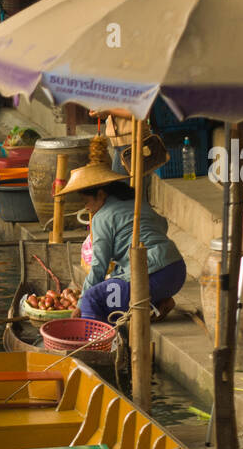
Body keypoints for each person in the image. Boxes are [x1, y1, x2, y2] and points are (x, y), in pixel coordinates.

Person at [60, 138, 185, 325]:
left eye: (87, 201)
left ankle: (94, 344)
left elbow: (99, 266)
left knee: (93, 298)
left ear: (101, 195)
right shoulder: (134, 201)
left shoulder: (102, 218)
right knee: (116, 282)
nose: (86, 207)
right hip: (176, 270)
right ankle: (159, 302)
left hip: (154, 275)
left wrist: (81, 302)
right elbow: (162, 225)